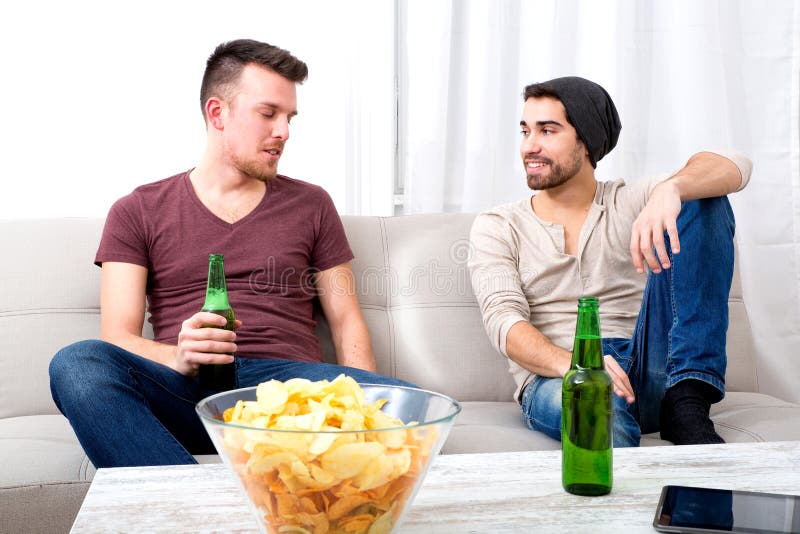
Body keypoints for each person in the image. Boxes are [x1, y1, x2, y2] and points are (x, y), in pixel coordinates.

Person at [49, 39, 413, 468]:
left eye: (289, 117)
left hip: (293, 395)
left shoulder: (312, 204)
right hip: (188, 390)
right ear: (217, 113)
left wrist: (360, 403)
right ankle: (194, 514)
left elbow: (347, 319)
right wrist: (177, 356)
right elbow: (117, 337)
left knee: (417, 413)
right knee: (76, 364)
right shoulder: (137, 210)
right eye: (268, 114)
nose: (284, 132)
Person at [468, 76, 751, 447]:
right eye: (525, 131)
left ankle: (687, 399)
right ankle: (643, 501)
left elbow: (736, 165)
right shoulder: (499, 225)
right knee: (595, 400)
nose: (529, 146)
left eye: (547, 131)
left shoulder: (629, 201)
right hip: (561, 376)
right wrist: (578, 366)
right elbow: (504, 322)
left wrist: (673, 189)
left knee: (703, 196)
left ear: (585, 141)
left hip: (651, 367)